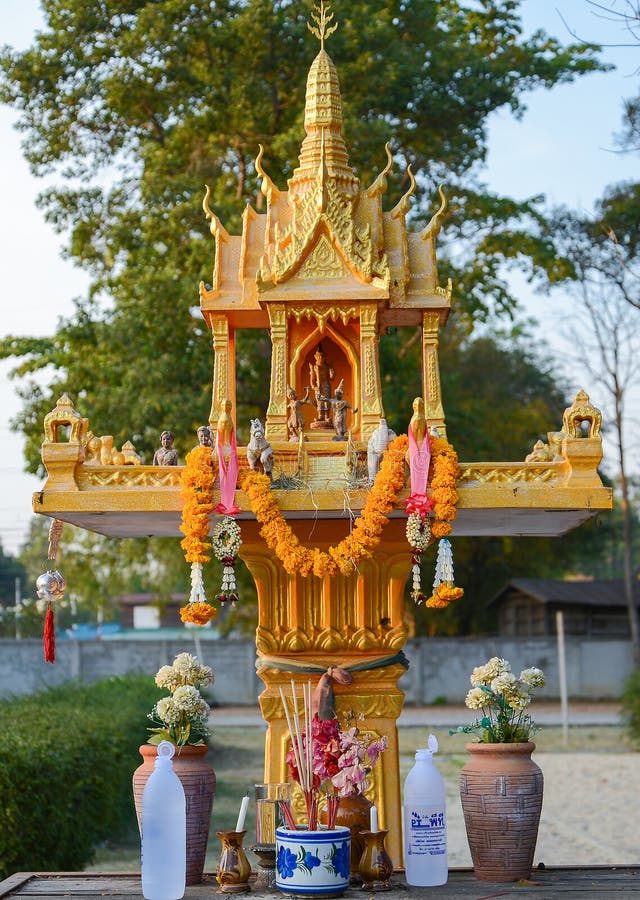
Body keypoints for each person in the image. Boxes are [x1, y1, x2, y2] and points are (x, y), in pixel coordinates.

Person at [308, 344, 336, 425]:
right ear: (315, 357)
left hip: (326, 385)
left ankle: (327, 416)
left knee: (327, 400)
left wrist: (332, 373)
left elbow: (331, 378)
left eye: (322, 356)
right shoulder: (315, 367)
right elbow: (312, 379)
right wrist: (314, 386)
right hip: (318, 386)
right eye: (319, 356)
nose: (320, 358)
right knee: (320, 401)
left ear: (325, 357)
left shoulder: (327, 367)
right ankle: (320, 416)